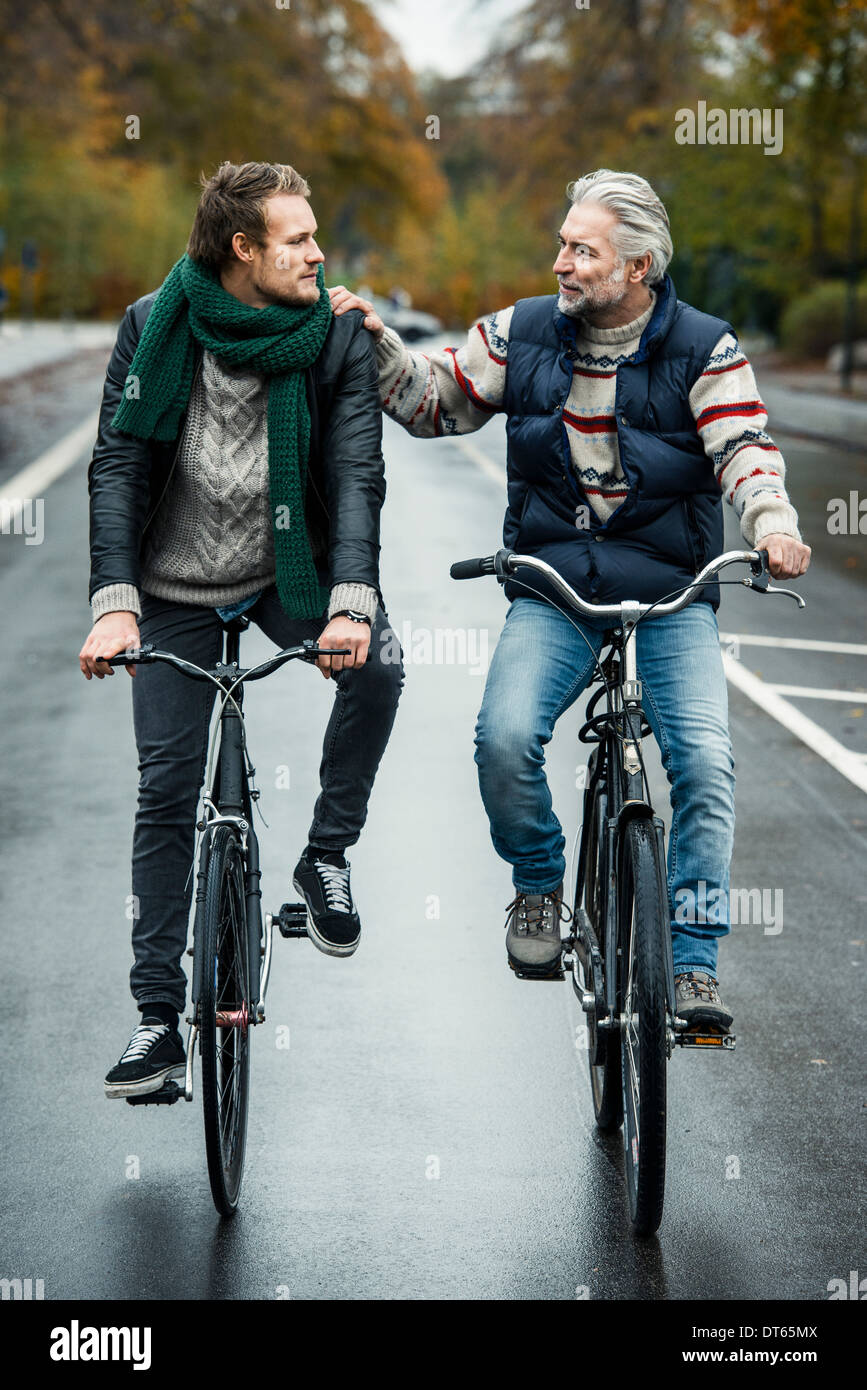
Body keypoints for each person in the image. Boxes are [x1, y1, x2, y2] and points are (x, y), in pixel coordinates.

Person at [329, 168, 811, 1032]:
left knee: (703, 764)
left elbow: (743, 445)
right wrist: (374, 344)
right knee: (504, 737)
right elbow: (435, 403)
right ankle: (538, 887)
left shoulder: (705, 348)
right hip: (553, 590)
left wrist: (771, 524)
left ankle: (693, 966)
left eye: (579, 249)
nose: (559, 262)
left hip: (670, 594)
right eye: (561, 243)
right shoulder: (519, 334)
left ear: (636, 270)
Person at [80, 161, 404, 1098]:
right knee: (166, 787)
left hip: (284, 568)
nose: (317, 253)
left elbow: (354, 474)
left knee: (378, 662)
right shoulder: (154, 325)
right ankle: (154, 1020)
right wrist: (115, 604)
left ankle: (325, 855)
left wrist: (351, 598)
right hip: (171, 587)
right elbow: (118, 469)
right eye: (297, 239)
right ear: (242, 249)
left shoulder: (334, 334)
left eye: (313, 236)